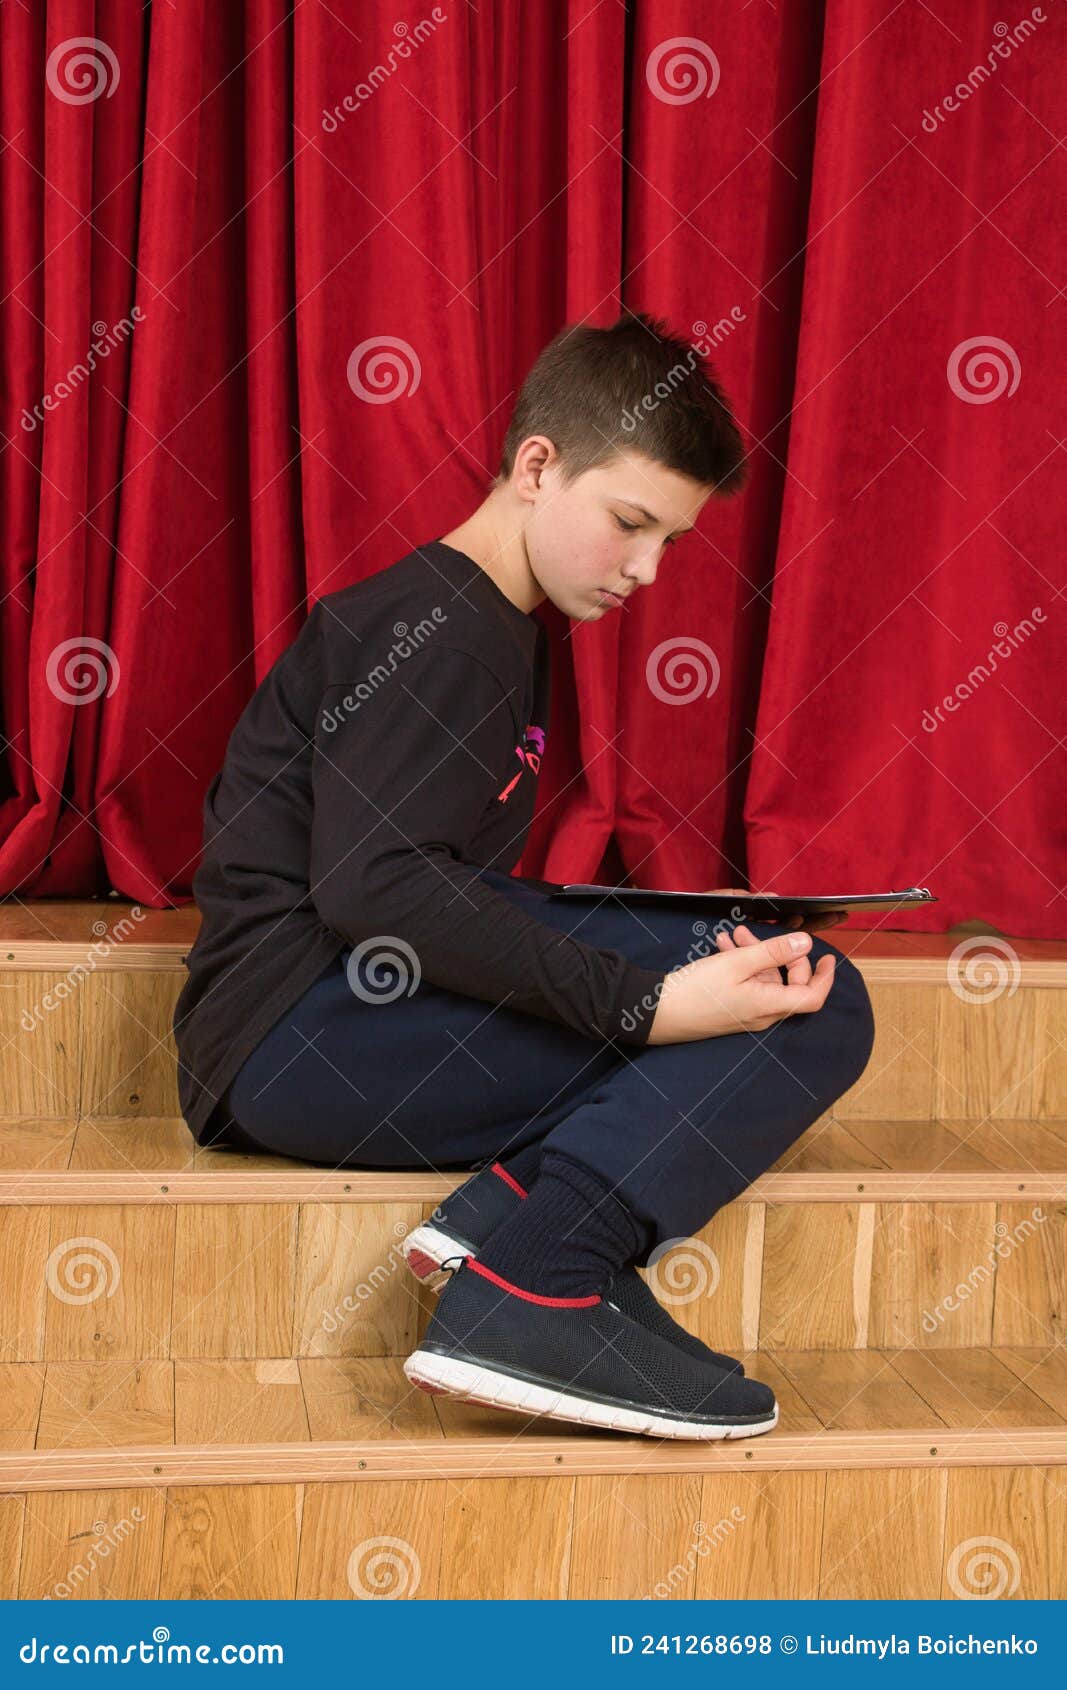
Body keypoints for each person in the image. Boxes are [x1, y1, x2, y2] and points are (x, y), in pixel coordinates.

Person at [173, 310, 875, 1443]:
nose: (646, 569)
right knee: (815, 997)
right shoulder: (440, 632)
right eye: (630, 522)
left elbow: (428, 889)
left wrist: (661, 960)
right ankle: (538, 1280)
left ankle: (504, 1218)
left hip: (317, 1029)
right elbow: (378, 890)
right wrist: (637, 1002)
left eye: (669, 542)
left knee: (761, 959)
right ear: (536, 466)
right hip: (296, 1038)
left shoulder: (492, 627)